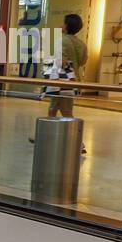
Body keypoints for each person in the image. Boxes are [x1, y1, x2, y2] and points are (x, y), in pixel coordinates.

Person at [32, 13, 88, 154]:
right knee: (54, 107)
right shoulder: (81, 44)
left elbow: (59, 61)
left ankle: (78, 142)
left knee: (66, 111)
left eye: (64, 23)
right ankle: (43, 135)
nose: (62, 25)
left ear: (67, 26)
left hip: (60, 80)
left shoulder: (61, 41)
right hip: (73, 80)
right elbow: (82, 61)